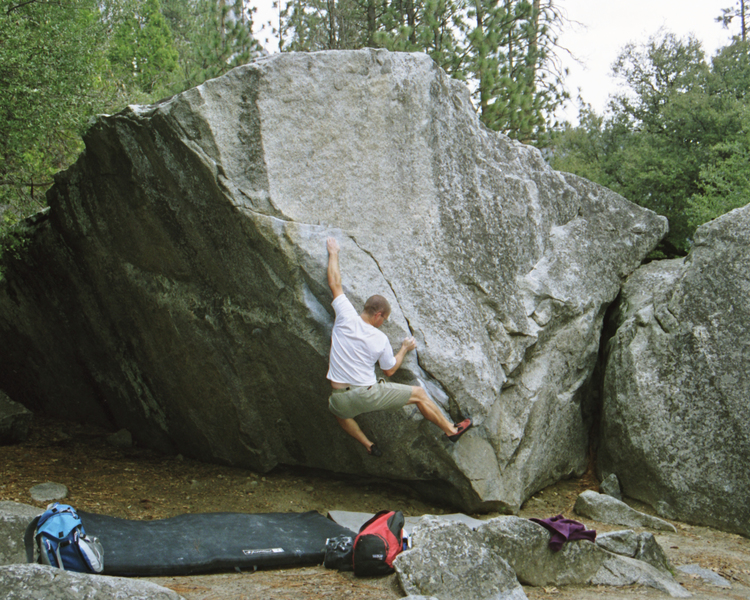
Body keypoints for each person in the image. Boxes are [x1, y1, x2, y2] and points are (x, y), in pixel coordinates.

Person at [325, 237, 472, 456]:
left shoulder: (345, 316)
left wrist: (334, 252)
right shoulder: (379, 339)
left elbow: (335, 283)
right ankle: (451, 430)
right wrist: (404, 348)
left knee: (341, 414)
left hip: (339, 397)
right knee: (420, 394)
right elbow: (390, 370)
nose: (383, 323)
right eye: (384, 319)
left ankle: (368, 444)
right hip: (367, 394)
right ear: (378, 315)